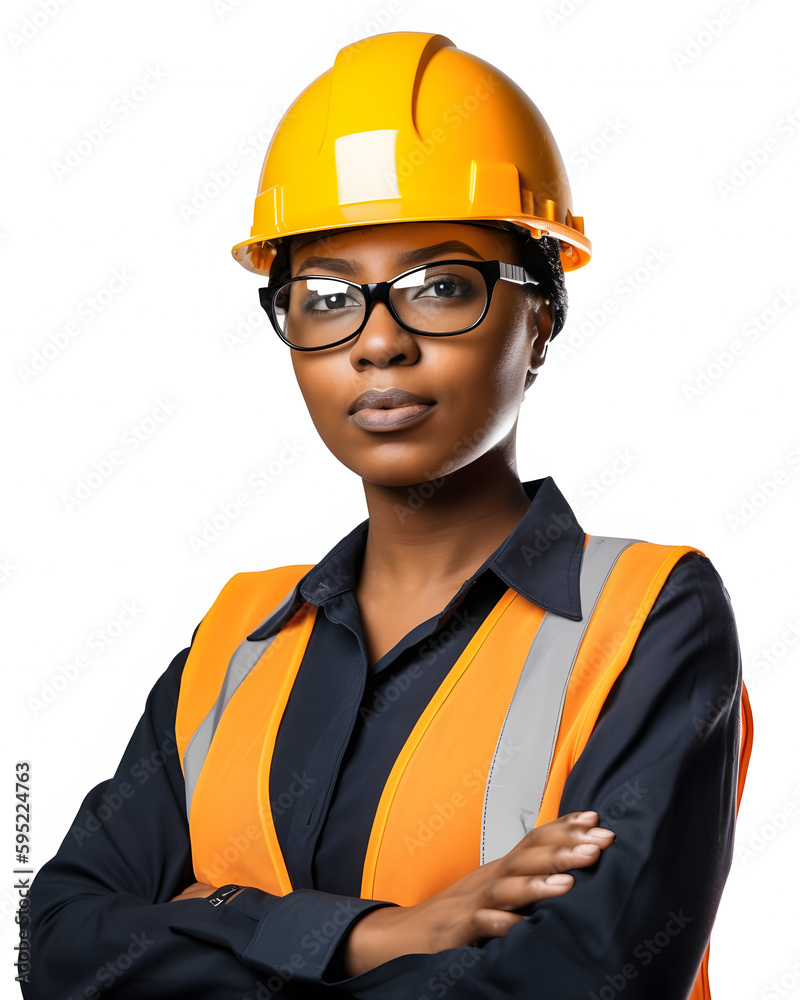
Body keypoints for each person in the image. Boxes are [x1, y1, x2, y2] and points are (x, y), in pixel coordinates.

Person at [23, 30, 753, 1000]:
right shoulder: (235, 638)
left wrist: (206, 916)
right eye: (325, 295)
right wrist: (367, 939)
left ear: (540, 312)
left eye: (439, 286)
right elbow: (62, 940)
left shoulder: (647, 615)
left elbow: (573, 983)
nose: (376, 341)